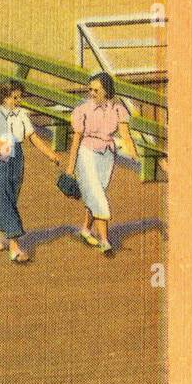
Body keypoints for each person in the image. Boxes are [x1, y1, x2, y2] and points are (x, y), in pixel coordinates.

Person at [0, 81, 63, 263]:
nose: (18, 100)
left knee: (10, 197)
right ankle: (15, 246)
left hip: (18, 158)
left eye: (19, 97)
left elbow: (33, 137)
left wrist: (51, 155)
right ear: (4, 97)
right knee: (6, 198)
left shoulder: (22, 115)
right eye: (14, 97)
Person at [67, 73, 139, 255]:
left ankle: (85, 229)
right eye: (90, 89)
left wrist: (134, 153)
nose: (91, 93)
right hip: (86, 153)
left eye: (96, 90)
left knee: (96, 192)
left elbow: (125, 135)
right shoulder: (82, 110)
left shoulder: (118, 109)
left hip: (107, 155)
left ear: (106, 91)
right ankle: (105, 241)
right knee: (98, 196)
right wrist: (70, 167)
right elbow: (76, 140)